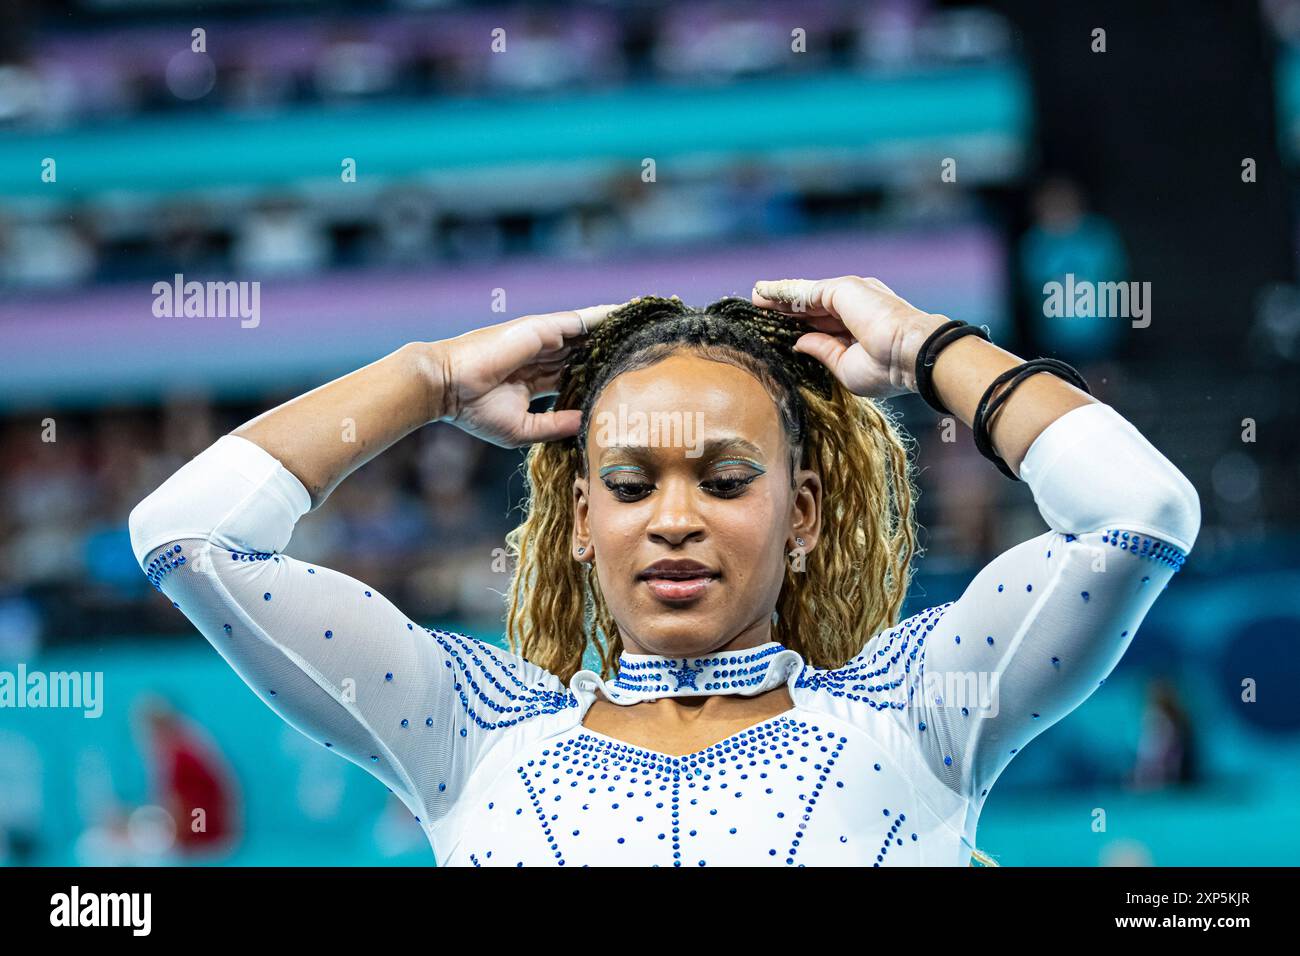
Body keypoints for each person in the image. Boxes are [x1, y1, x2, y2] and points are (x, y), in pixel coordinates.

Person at [128, 277, 1200, 866]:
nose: (675, 519)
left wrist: (922, 345)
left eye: (727, 480)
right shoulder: (470, 730)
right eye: (632, 485)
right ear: (582, 521)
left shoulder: (918, 707)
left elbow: (1139, 509)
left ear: (805, 517)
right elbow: (187, 537)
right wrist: (431, 374)